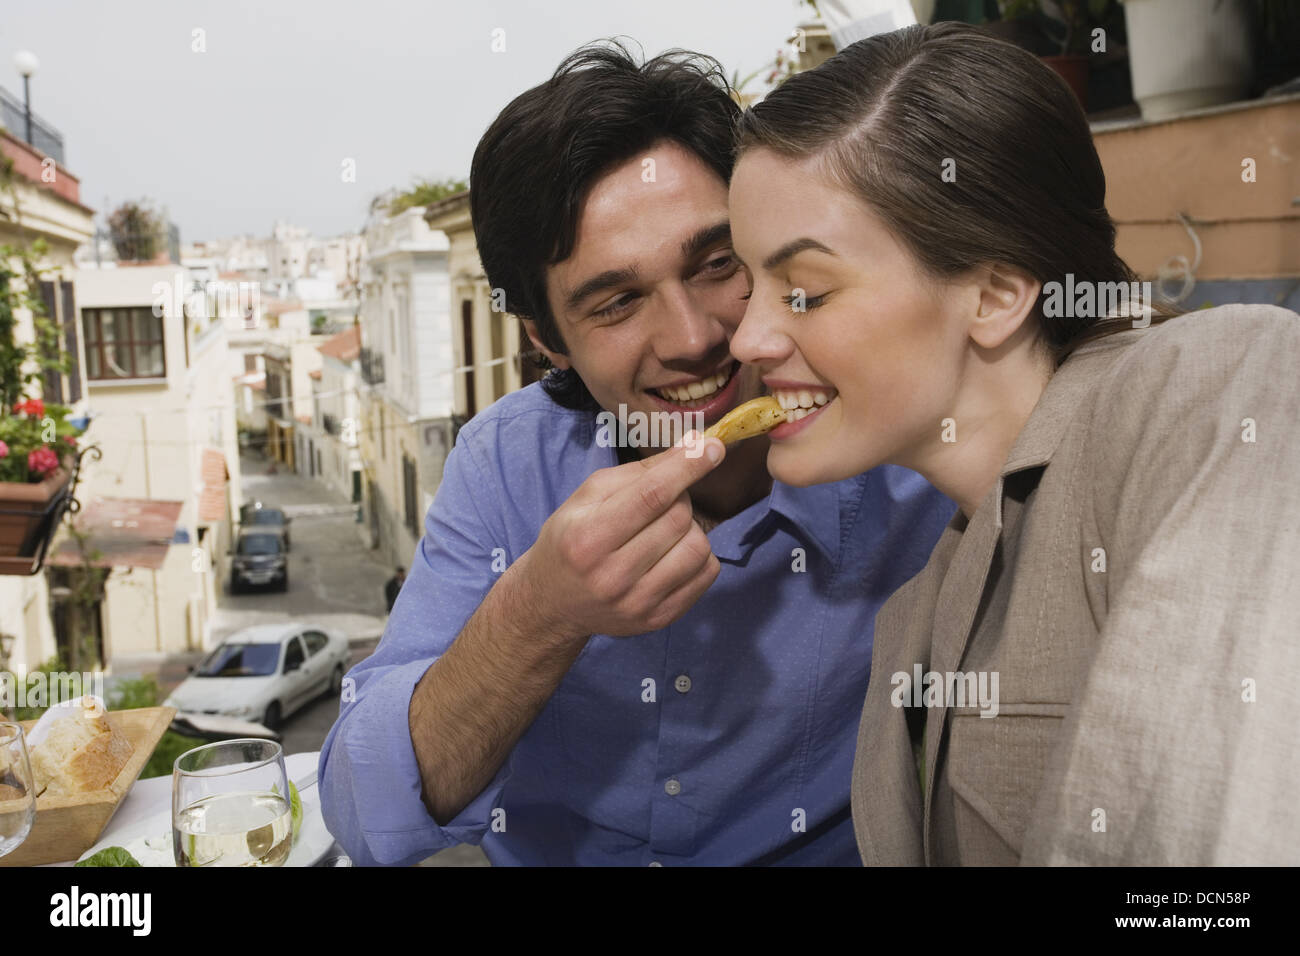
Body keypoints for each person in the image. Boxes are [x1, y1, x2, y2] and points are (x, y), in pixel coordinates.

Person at [318, 42, 955, 866]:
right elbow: (365, 818)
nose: (693, 339)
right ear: (548, 339)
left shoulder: (904, 456)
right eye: (617, 302)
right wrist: (539, 612)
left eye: (718, 264)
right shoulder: (505, 467)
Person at [726, 21, 1300, 865]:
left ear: (995, 295)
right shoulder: (917, 618)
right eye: (748, 289)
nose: (746, 339)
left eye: (804, 291)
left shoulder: (1217, 381)